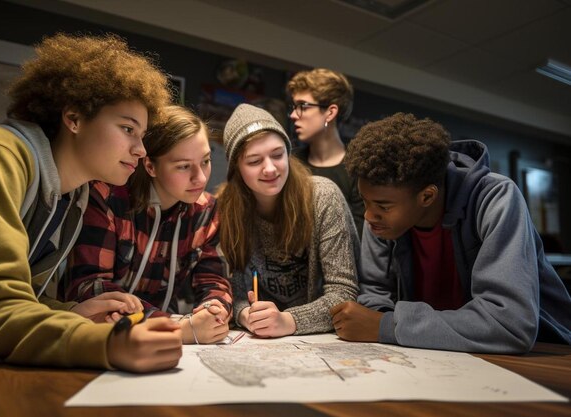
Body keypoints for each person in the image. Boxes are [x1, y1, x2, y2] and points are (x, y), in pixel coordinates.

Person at [0, 33, 182, 372]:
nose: (141, 150)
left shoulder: (73, 196)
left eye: (142, 136)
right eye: (128, 129)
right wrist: (106, 343)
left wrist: (71, 313)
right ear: (74, 119)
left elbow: (21, 297)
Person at [331, 112, 571, 353]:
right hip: (434, 352)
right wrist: (378, 322)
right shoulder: (383, 219)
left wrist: (387, 326)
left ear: (427, 196)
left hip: (544, 354)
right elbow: (375, 295)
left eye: (383, 206)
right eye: (365, 201)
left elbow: (508, 324)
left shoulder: (496, 199)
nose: (369, 216)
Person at [65, 105, 232, 345]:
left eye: (205, 161)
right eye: (184, 166)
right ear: (150, 166)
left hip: (173, 337)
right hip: (103, 337)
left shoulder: (206, 209)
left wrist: (214, 309)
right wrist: (175, 328)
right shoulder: (106, 196)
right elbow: (89, 288)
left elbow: (214, 279)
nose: (201, 178)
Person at [217, 103, 359, 337]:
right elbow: (232, 291)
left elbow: (344, 291)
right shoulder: (226, 209)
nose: (270, 169)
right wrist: (245, 315)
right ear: (237, 170)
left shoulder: (323, 196)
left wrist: (288, 321)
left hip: (322, 340)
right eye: (254, 161)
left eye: (277, 154)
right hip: (257, 340)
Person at [287, 68, 365, 237]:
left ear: (330, 112)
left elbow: (358, 239)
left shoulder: (358, 169)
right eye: (294, 107)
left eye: (303, 106)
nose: (293, 115)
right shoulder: (291, 164)